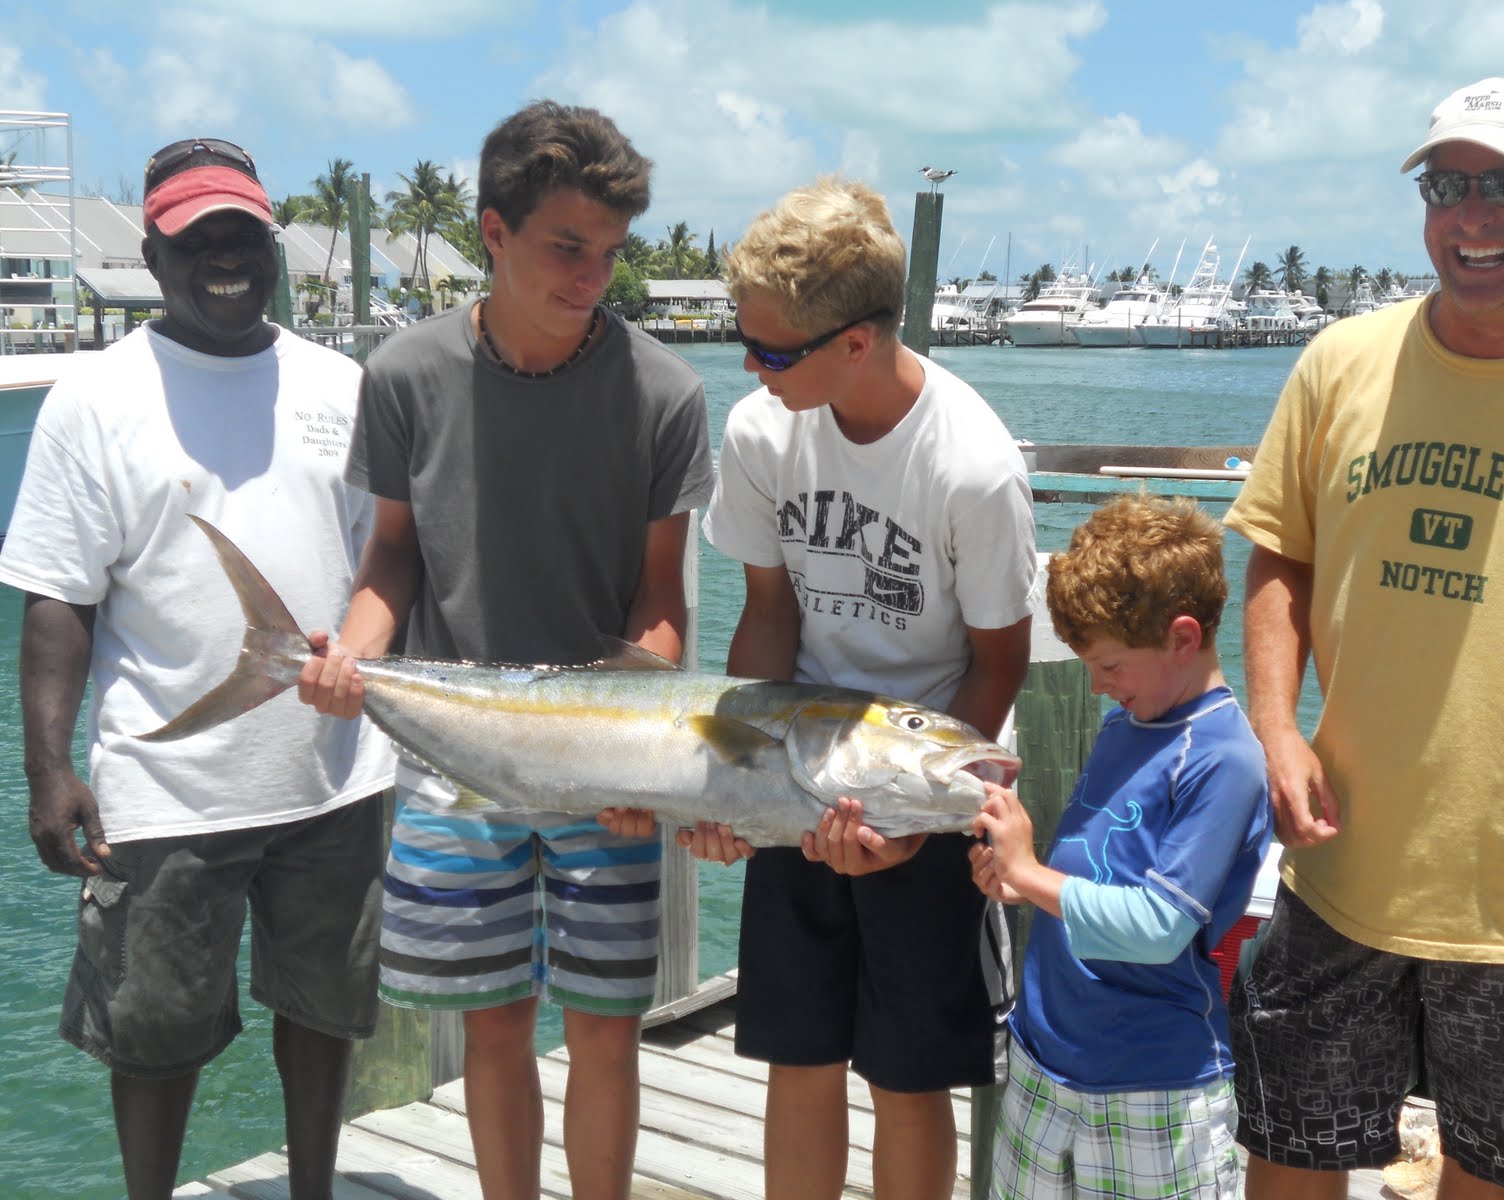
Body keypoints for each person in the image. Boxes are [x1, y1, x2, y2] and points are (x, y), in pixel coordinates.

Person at [297, 100, 714, 1200]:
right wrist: (354, 654)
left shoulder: (666, 393)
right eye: (564, 248)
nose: (592, 278)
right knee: (493, 1026)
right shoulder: (401, 375)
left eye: (609, 253)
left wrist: (641, 758)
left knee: (608, 1031)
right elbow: (392, 559)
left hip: (607, 765)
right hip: (451, 762)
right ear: (491, 231)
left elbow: (660, 599)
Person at [1224, 75, 1504, 1200]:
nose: (1470, 216)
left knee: (1497, 1178)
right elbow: (1278, 553)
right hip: (1338, 861)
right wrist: (1272, 728)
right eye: (1447, 185)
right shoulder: (1340, 362)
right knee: (1289, 1151)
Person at [0, 138, 395, 1200]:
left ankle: (314, 1187)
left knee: (325, 1011)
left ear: (271, 244)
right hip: (164, 787)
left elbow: (383, 570)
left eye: (244, 235)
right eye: (198, 237)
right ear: (151, 249)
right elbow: (59, 598)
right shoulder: (92, 395)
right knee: (154, 1034)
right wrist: (49, 769)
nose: (226, 256)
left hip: (336, 775)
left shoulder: (342, 385)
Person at [691, 177, 1037, 1200]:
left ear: (856, 341)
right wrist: (731, 789)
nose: (750, 369)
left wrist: (916, 824)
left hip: (926, 782)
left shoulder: (970, 465)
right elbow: (767, 612)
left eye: (772, 351)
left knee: (907, 1072)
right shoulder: (762, 431)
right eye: (741, 342)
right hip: (797, 760)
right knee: (795, 1054)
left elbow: (999, 659)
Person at [968, 492, 1271, 1200]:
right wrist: (1016, 881)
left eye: (1109, 665)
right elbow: (1091, 869)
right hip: (1047, 1060)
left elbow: (1160, 928)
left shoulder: (1223, 757)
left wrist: (1028, 870)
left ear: (1183, 638)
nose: (1097, 685)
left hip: (1152, 1088)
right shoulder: (1124, 726)